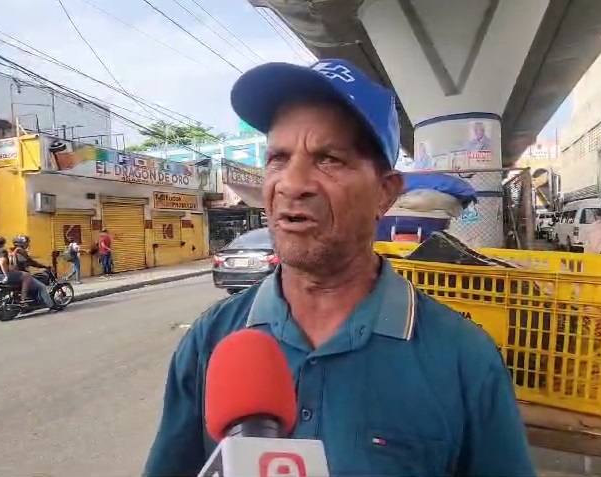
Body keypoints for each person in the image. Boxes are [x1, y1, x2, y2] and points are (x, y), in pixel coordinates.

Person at [144, 59, 534, 477]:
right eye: (278, 157)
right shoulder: (212, 341)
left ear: (385, 193)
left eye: (328, 159)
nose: (292, 184)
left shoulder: (463, 359)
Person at [8, 235, 54, 308]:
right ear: (22, 243)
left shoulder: (11, 251)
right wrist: (44, 266)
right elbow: (31, 262)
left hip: (13, 275)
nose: (27, 244)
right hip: (21, 275)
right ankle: (52, 305)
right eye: (26, 243)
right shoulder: (21, 251)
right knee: (42, 287)